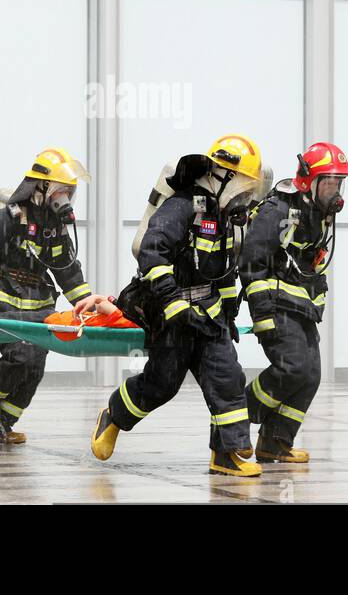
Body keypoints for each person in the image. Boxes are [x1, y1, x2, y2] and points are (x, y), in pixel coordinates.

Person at [82, 134, 264, 477]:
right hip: (170, 313)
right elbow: (152, 251)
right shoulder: (182, 205)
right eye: (242, 184)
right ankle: (113, 416)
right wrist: (171, 300)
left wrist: (227, 315)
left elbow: (225, 271)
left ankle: (227, 454)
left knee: (227, 378)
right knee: (162, 385)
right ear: (220, 176)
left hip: (207, 315)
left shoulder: (225, 218)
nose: (244, 195)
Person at [0, 147, 93, 444]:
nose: (65, 198)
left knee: (35, 366)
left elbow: (69, 273)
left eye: (69, 192)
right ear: (39, 188)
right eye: (60, 191)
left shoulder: (57, 229)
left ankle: (0, 423)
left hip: (37, 311)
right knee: (22, 355)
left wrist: (89, 309)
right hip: (1, 306)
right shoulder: (3, 219)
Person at [239, 141, 348, 463]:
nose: (335, 190)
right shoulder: (278, 210)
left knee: (310, 374)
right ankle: (234, 421)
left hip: (302, 309)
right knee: (293, 368)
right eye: (329, 182)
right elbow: (251, 263)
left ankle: (275, 442)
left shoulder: (320, 215)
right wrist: (263, 316)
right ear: (308, 181)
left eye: (339, 183)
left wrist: (318, 303)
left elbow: (313, 266)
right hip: (276, 307)